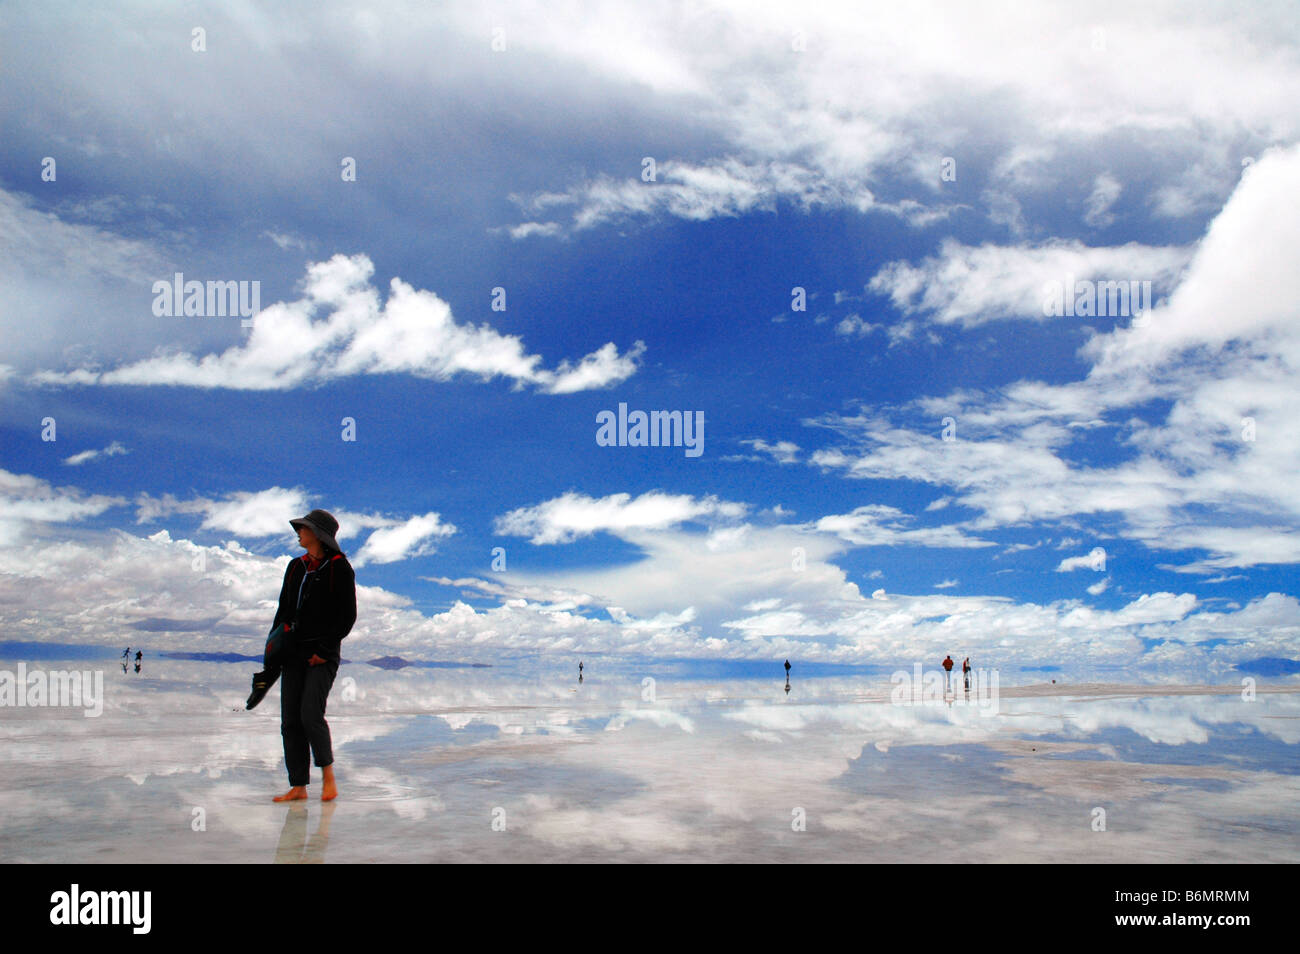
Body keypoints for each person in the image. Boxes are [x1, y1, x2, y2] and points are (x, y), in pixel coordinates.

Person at [269, 510, 356, 803]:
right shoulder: (295, 567)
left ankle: (328, 778)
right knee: (290, 720)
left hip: (322, 654)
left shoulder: (339, 567)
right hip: (293, 653)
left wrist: (325, 650)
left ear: (318, 534)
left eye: (303, 528)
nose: (298, 532)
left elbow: (346, 616)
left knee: (310, 714)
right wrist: (273, 649)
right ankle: (298, 786)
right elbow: (283, 611)